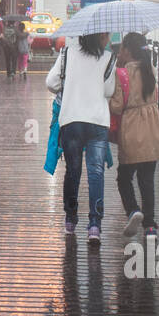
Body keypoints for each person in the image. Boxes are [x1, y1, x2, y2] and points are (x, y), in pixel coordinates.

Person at [45, 31, 118, 243]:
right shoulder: (108, 58)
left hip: (72, 120)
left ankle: (70, 219)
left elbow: (51, 83)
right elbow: (108, 90)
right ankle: (94, 225)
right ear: (100, 38)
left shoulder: (67, 54)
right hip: (97, 122)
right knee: (96, 172)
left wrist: (70, 85)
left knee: (73, 171)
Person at [109, 32, 159, 238]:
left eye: (122, 48)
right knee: (147, 179)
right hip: (152, 127)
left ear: (127, 51)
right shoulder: (150, 69)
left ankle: (133, 210)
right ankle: (150, 226)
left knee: (124, 177)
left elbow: (116, 106)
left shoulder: (122, 74)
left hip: (131, 129)